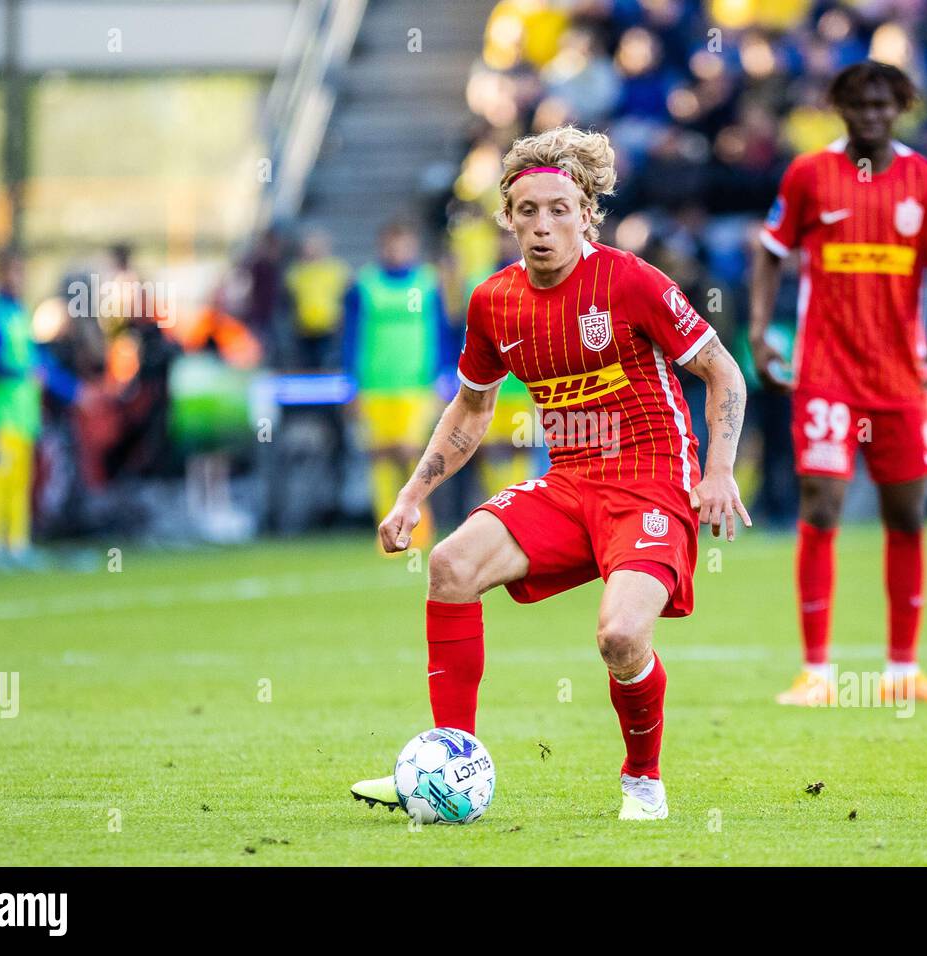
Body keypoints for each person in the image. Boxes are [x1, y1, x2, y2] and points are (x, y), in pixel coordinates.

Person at [350, 126, 751, 820]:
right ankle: (451, 766)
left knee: (621, 638)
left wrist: (718, 470)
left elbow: (723, 373)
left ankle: (643, 780)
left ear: (587, 213)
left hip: (651, 479)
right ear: (507, 217)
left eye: (558, 209)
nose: (541, 226)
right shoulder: (493, 302)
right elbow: (471, 409)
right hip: (569, 482)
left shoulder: (629, 281)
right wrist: (415, 493)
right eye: (527, 210)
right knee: (448, 565)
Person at [749, 61, 927, 707]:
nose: (872, 114)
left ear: (900, 106)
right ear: (840, 108)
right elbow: (769, 251)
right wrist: (763, 333)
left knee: (906, 514)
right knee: (821, 507)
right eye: (859, 104)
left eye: (884, 104)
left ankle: (903, 670)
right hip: (825, 372)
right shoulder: (808, 175)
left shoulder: (926, 180)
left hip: (901, 377)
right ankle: (815, 673)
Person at [342, 221, 459, 551]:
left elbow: (443, 332)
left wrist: (443, 375)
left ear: (412, 247)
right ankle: (389, 534)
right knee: (379, 458)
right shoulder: (364, 286)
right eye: (392, 245)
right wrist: (351, 383)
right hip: (375, 386)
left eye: (403, 244)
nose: (397, 251)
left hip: (416, 385)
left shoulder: (427, 284)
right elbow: (350, 337)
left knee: (412, 455)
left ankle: (419, 531)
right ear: (383, 247)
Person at [0, 252, 81, 568]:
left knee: (21, 481)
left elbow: (41, 364)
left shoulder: (21, 315)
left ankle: (16, 544)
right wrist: (22, 373)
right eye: (14, 273)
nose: (19, 280)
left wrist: (76, 391)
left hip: (23, 416)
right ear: (1, 276)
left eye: (22, 274)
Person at [284, 231, 350, 370]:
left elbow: (346, 295)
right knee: (306, 366)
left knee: (325, 365)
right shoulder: (297, 271)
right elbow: (291, 296)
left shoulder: (336, 270)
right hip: (304, 329)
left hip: (328, 327)